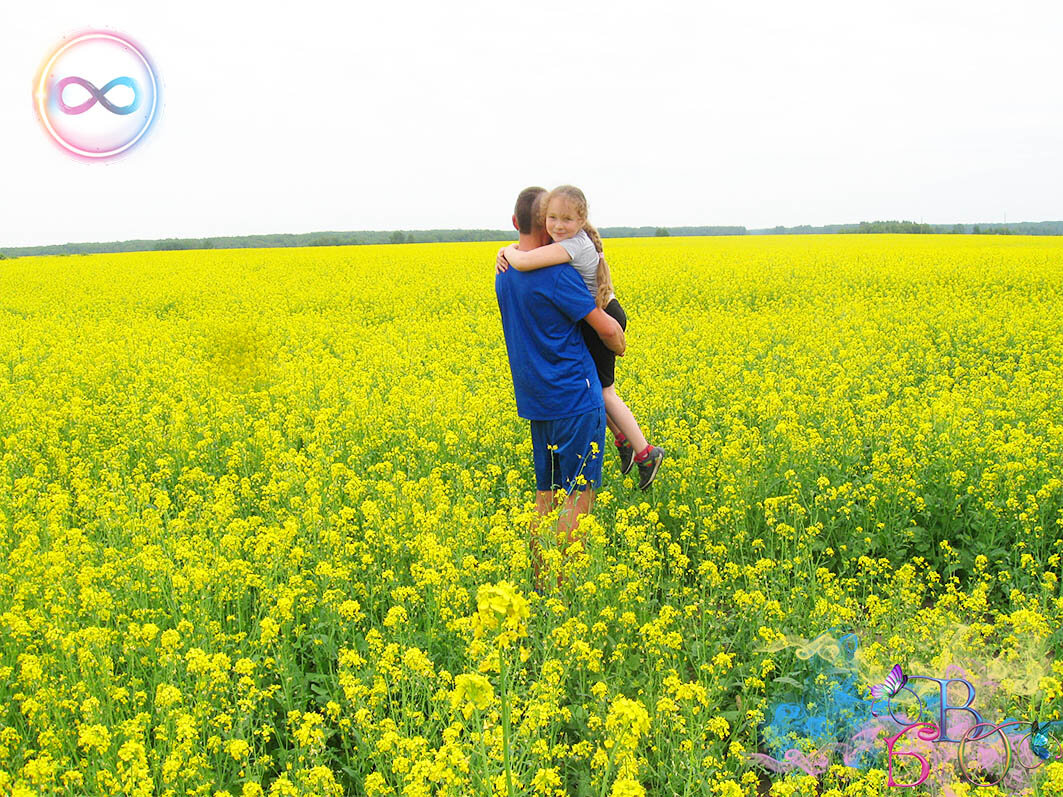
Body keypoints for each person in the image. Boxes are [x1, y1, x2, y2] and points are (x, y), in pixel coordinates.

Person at [495, 186, 626, 592]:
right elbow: (608, 330)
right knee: (578, 495)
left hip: (537, 402)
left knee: (545, 496)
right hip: (574, 397)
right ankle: (566, 589)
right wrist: (619, 344)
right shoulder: (557, 275)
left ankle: (541, 584)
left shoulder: (504, 271)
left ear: (515, 223)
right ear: (546, 225)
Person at [498, 184, 665, 490]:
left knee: (604, 393)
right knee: (597, 389)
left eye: (566, 219)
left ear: (580, 220)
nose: (558, 225)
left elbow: (524, 261)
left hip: (605, 315)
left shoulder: (571, 246)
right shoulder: (567, 243)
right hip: (594, 316)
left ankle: (645, 452)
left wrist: (507, 250)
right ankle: (622, 440)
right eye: (552, 218)